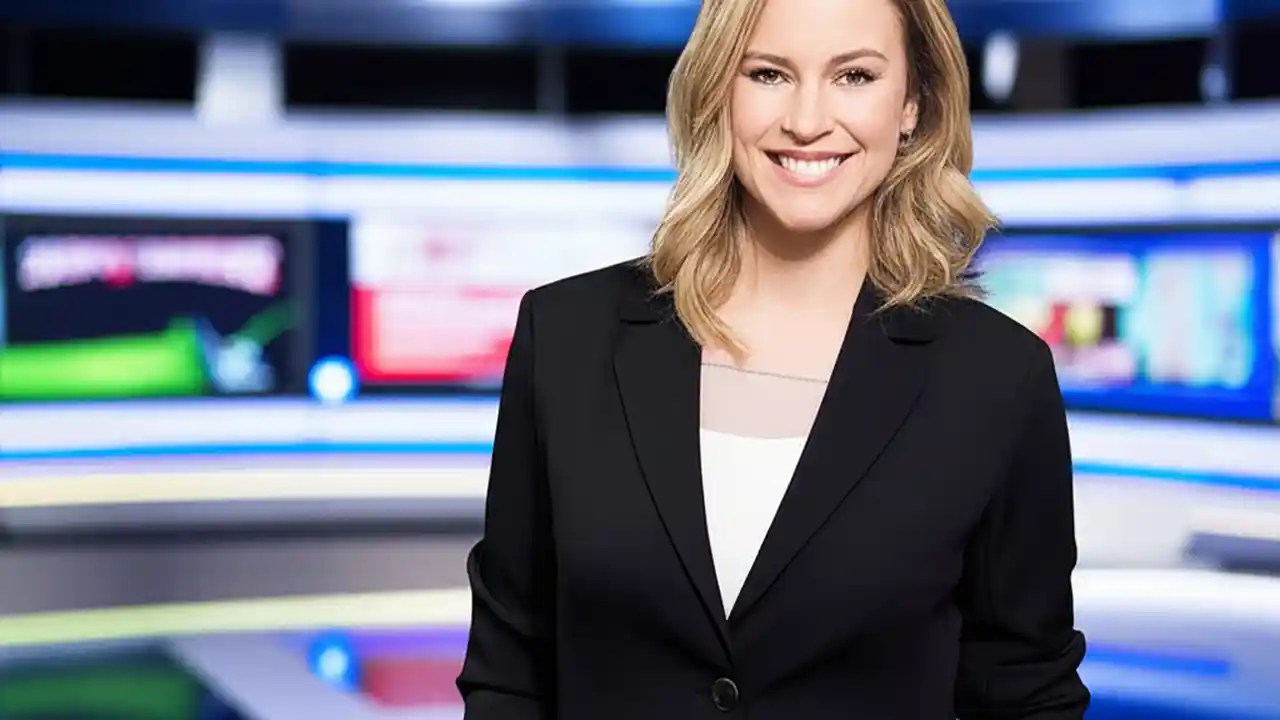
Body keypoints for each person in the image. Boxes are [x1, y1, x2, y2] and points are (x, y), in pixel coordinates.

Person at [456, 0, 1090, 716]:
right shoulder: (566, 338)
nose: (807, 119)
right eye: (768, 74)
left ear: (913, 103)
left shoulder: (999, 381)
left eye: (854, 76)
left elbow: (1026, 693)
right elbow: (509, 671)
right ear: (717, 90)